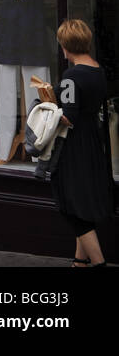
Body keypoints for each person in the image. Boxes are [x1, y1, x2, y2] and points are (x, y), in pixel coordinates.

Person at [51, 19, 110, 267]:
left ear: (66, 47)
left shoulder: (71, 75)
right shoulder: (98, 69)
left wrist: (47, 107)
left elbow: (68, 117)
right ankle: (79, 262)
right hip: (93, 142)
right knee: (82, 201)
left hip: (74, 147)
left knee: (71, 206)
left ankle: (98, 263)